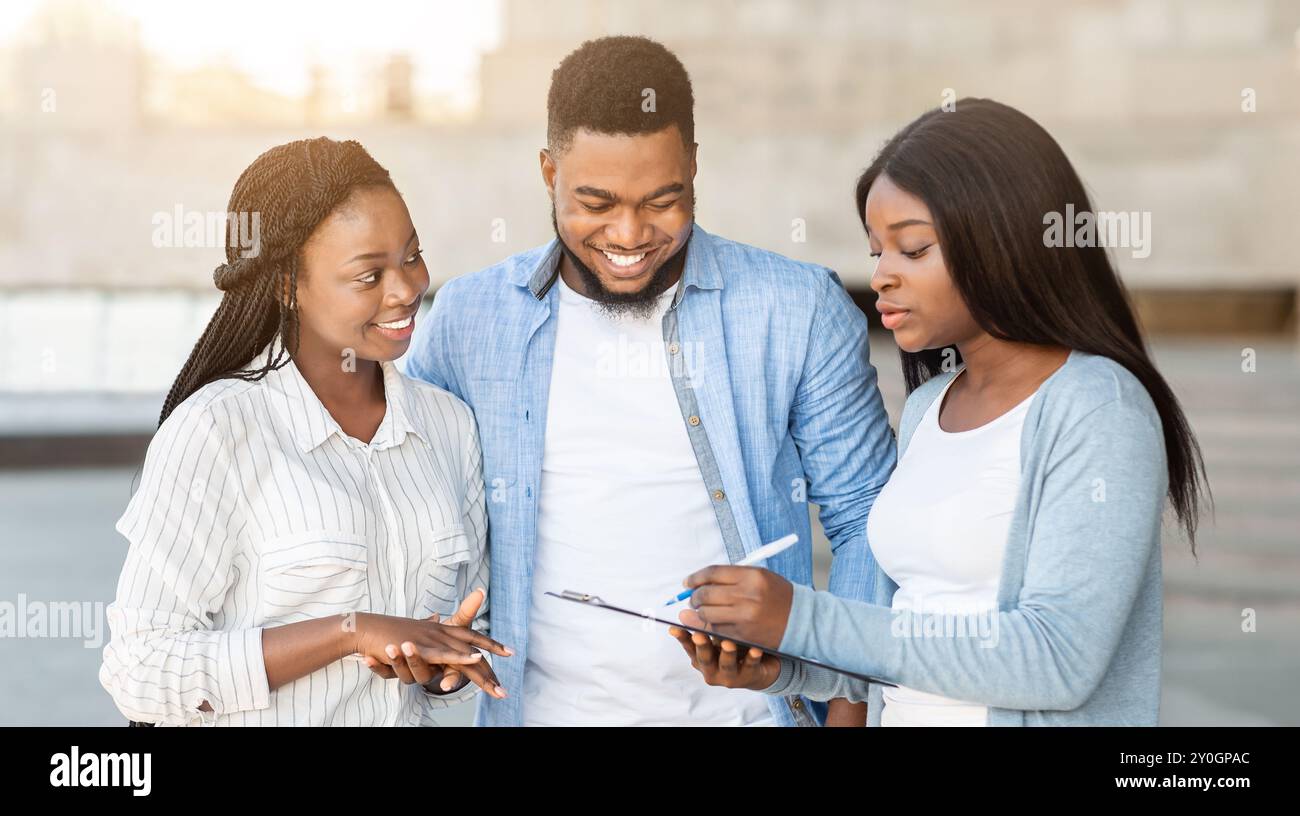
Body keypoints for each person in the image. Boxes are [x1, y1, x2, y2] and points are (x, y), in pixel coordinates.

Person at [404, 36, 896, 727]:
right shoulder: (469, 317)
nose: (629, 235)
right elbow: (410, 508)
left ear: (694, 167)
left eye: (662, 201)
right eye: (596, 203)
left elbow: (867, 522)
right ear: (549, 173)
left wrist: (848, 717)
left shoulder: (798, 309)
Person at [671, 99, 1210, 727]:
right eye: (877, 252)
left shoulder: (1098, 409)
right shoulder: (929, 406)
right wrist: (783, 662)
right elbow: (908, 628)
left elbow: (1057, 660)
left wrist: (806, 617)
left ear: (1001, 241)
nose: (881, 277)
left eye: (913, 249)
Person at [99, 137, 512, 726]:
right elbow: (140, 669)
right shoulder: (219, 429)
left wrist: (446, 666)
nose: (407, 289)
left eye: (412, 256)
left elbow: (461, 631)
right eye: (369, 275)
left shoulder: (448, 425)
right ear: (287, 285)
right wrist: (349, 633)